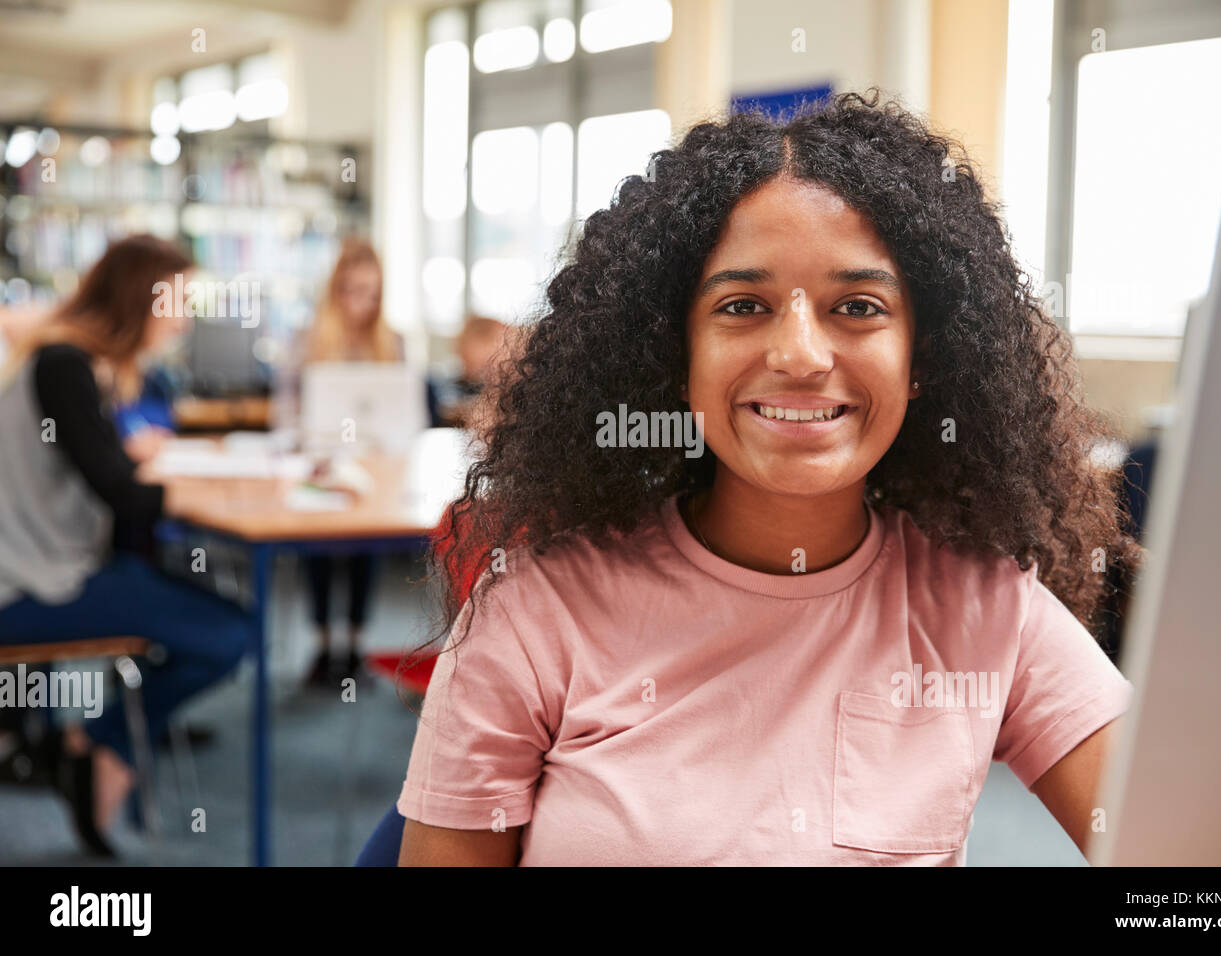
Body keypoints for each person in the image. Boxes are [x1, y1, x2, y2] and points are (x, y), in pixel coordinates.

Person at [396, 90, 1144, 866]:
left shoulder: (990, 608)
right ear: (675, 358)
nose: (799, 354)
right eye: (744, 305)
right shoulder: (536, 608)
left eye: (857, 305)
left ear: (923, 359)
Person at [0, 234, 250, 856]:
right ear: (143, 300)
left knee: (205, 616)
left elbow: (98, 467)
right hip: (30, 586)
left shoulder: (74, 361)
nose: (186, 316)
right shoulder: (66, 364)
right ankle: (99, 741)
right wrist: (218, 494)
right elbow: (119, 493)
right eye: (179, 300)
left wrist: (136, 458)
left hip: (49, 568)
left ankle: (91, 743)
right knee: (229, 633)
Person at [296, 238, 403, 685]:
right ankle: (323, 645)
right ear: (336, 289)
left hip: (373, 469)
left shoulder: (391, 342)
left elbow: (403, 412)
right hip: (319, 467)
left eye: (372, 293)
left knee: (365, 548)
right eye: (353, 290)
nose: (362, 303)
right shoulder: (308, 341)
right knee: (316, 544)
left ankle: (355, 645)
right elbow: (287, 411)